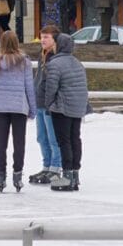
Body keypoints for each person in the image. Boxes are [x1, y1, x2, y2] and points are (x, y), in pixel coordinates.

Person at [0, 30, 36, 192]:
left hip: (1, 105)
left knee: (0, 142)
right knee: (19, 142)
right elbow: (29, 87)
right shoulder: (24, 62)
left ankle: (1, 176)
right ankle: (17, 175)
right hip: (19, 107)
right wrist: (32, 108)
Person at [40, 31, 88, 191]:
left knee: (64, 141)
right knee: (75, 139)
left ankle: (67, 176)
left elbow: (51, 87)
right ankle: (75, 175)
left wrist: (49, 105)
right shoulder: (77, 62)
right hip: (78, 107)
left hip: (62, 108)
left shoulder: (55, 63)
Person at [29, 25, 63, 185]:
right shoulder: (42, 55)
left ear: (55, 39)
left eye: (46, 37)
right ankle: (46, 165)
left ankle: (56, 168)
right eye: (41, 37)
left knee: (53, 138)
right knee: (41, 137)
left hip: (51, 104)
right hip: (39, 102)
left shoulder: (57, 58)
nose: (42, 40)